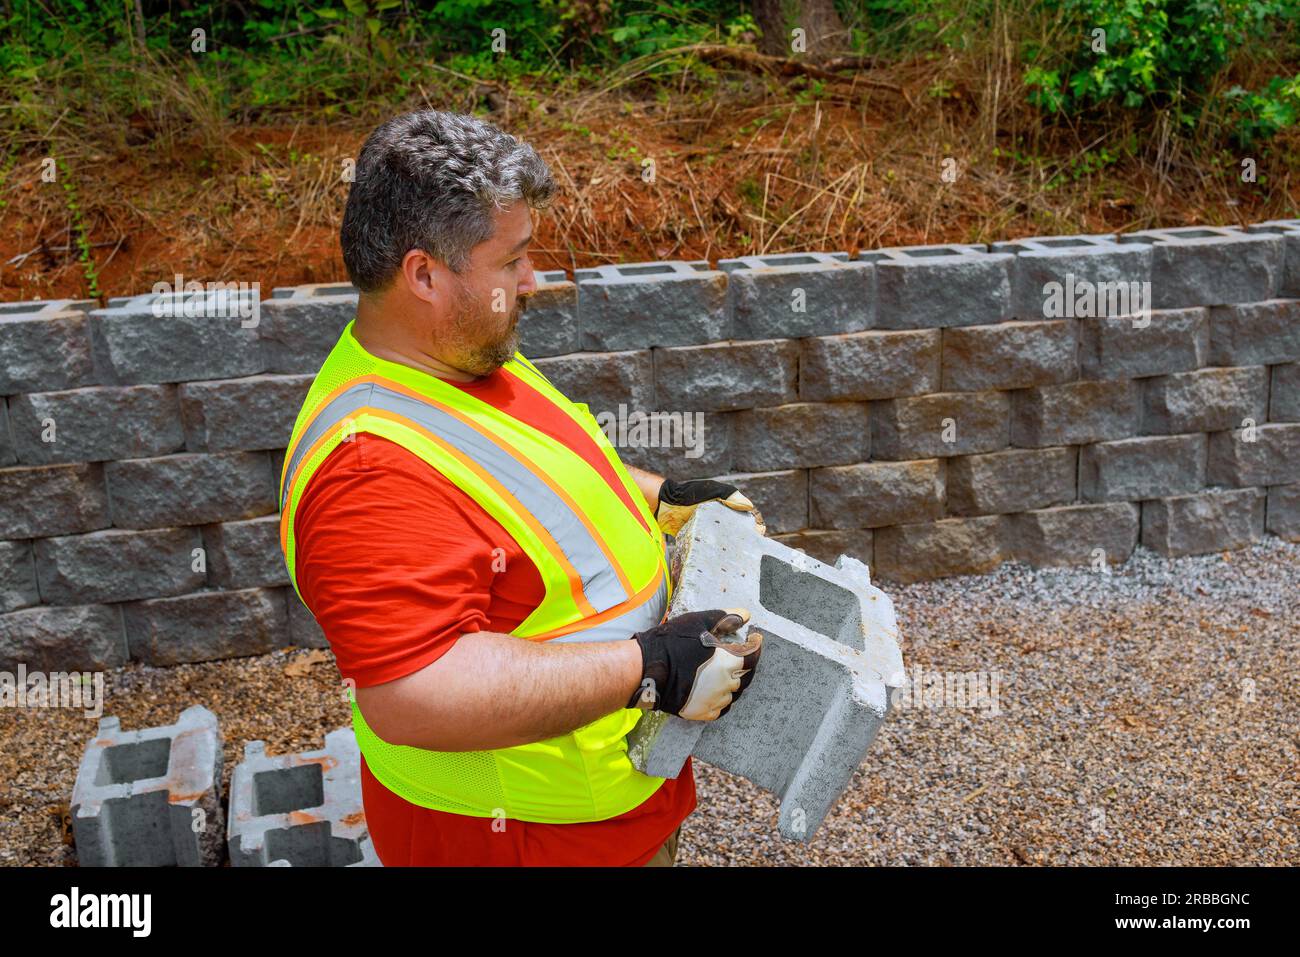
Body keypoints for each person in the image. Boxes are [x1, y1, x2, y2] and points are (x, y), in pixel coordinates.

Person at [278, 109, 764, 867]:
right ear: (425, 275)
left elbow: (538, 475)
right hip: (519, 839)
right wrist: (648, 668)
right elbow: (414, 690)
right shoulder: (368, 470)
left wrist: (657, 495)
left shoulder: (460, 354)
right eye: (512, 261)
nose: (532, 280)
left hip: (605, 808)